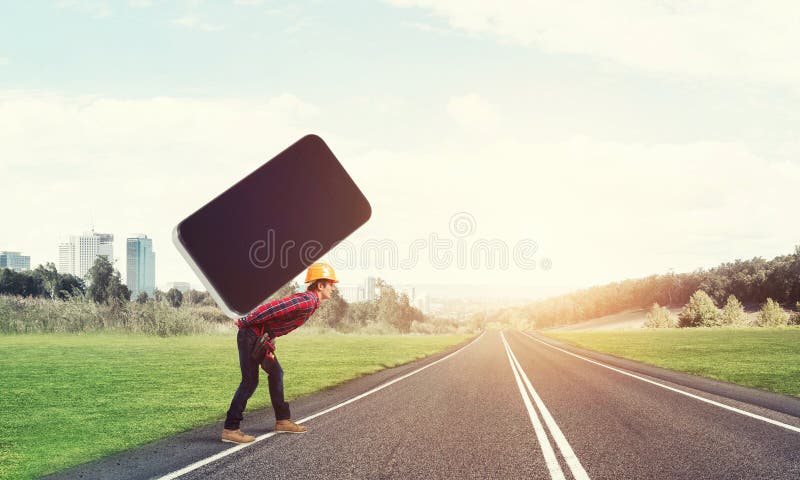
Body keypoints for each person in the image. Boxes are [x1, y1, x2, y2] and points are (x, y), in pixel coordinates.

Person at [221, 262, 338, 443]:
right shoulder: (307, 300)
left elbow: (279, 320)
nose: (333, 288)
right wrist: (245, 321)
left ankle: (282, 421)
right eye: (331, 284)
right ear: (320, 285)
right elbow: (273, 308)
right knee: (250, 381)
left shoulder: (312, 302)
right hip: (250, 335)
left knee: (276, 373)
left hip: (261, 338)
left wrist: (271, 337)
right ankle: (230, 429)